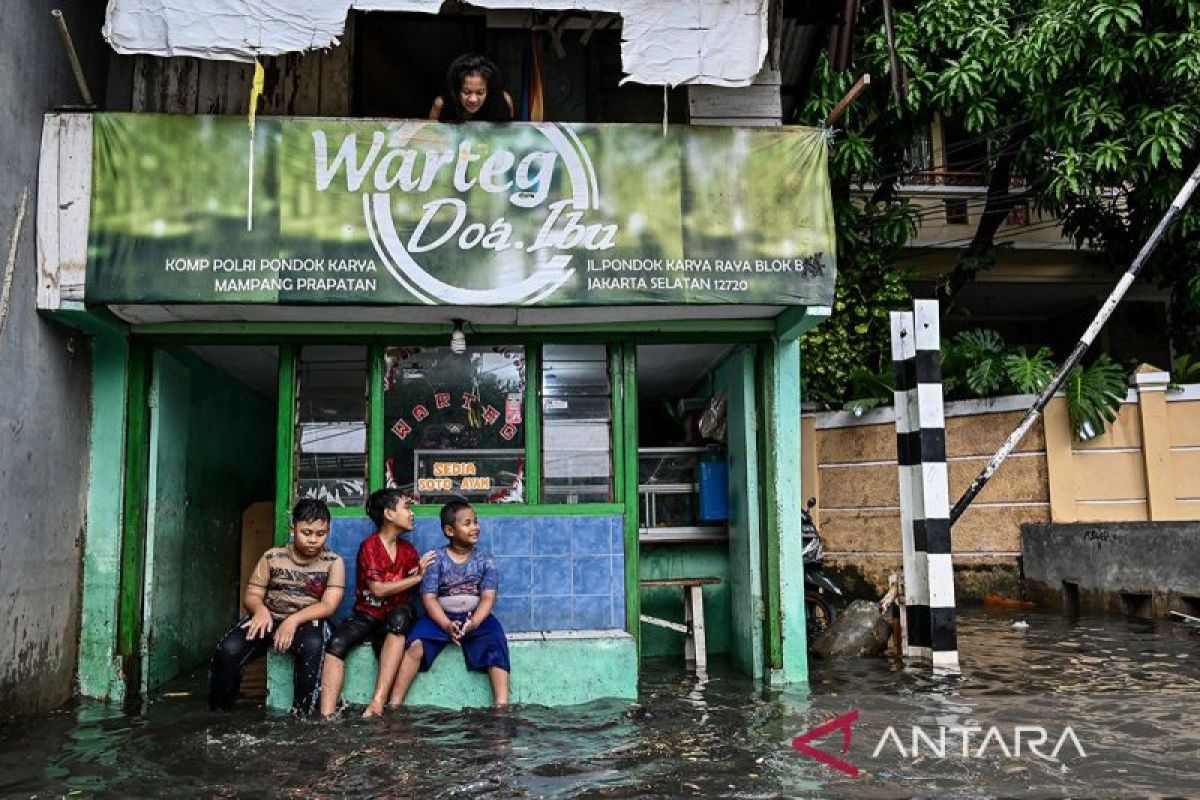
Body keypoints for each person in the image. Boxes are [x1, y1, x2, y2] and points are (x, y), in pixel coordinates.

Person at [208, 498, 344, 715]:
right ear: (293, 528)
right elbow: (252, 594)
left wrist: (292, 621)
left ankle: (302, 717)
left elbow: (328, 605)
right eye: (306, 533)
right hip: (268, 617)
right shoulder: (272, 557)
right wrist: (260, 611)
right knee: (228, 650)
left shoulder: (333, 561)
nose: (313, 540)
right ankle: (219, 713)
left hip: (308, 622)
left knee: (312, 647)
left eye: (320, 534)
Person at [318, 489, 435, 717]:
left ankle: (378, 701)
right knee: (337, 643)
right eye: (406, 508)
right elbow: (378, 590)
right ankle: (327, 715)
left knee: (399, 619)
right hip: (368, 612)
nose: (412, 514)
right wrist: (417, 577)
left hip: (396, 613)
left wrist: (417, 574)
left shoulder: (408, 551)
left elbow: (410, 587)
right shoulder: (370, 546)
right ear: (389, 514)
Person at [388, 500, 511, 707]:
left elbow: (488, 597)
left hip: (476, 618)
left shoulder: (485, 560)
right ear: (449, 530)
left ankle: (502, 704)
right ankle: (394, 702)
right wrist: (445, 624)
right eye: (467, 523)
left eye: (476, 521)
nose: (475, 527)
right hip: (439, 618)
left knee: (496, 642)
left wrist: (475, 622)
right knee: (415, 646)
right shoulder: (437, 560)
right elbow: (428, 598)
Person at [429, 53, 515, 122]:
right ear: (456, 90)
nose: (473, 99)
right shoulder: (441, 105)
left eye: (480, 93)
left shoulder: (504, 101)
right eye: (466, 92)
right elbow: (431, 138)